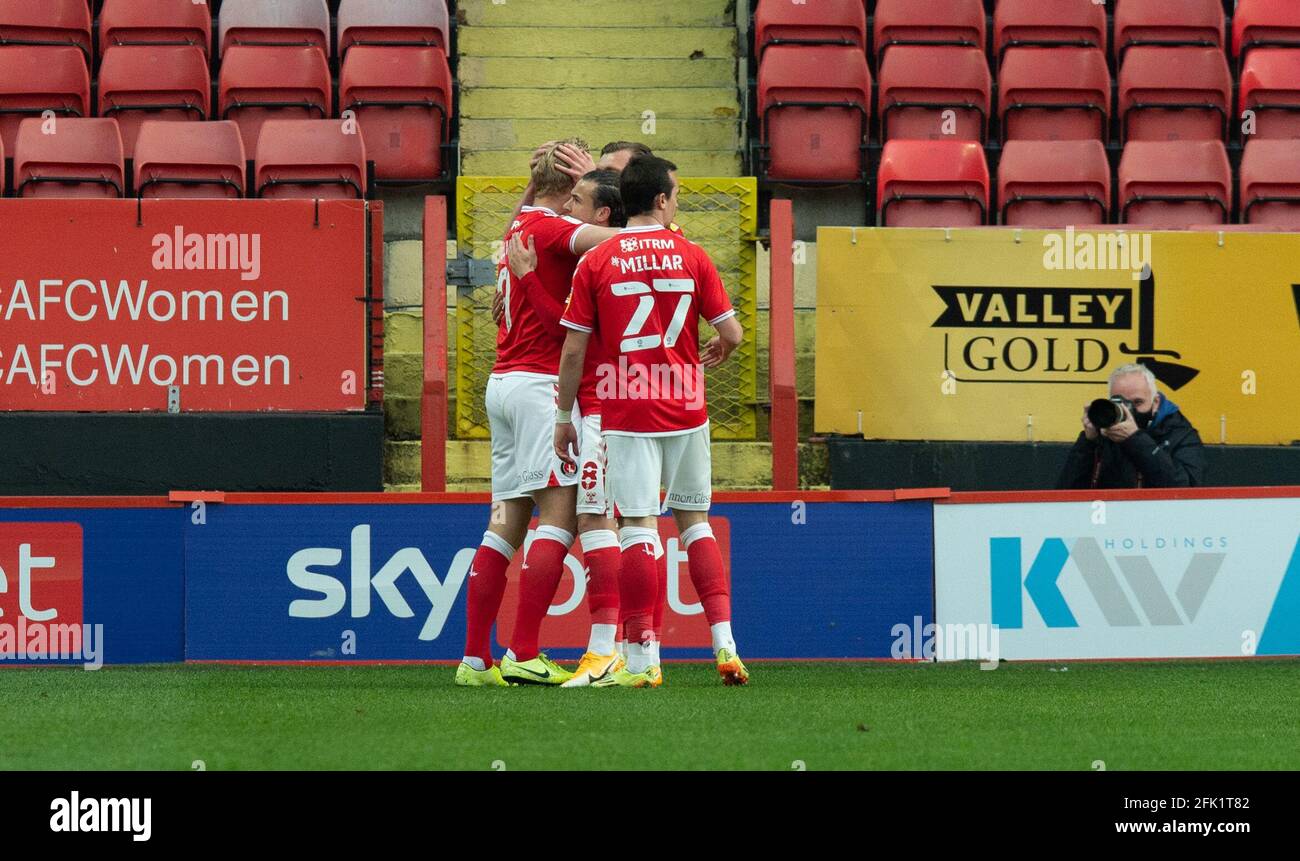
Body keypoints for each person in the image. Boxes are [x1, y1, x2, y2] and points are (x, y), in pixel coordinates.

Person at [554, 155, 750, 687]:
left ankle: (643, 659)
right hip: (687, 407)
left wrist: (562, 415)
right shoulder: (693, 254)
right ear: (661, 199)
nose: (677, 199)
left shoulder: (597, 259)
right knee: (695, 521)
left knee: (638, 525)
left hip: (625, 409)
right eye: (677, 193)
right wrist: (716, 348)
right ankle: (726, 645)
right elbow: (732, 333)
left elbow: (574, 351)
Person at [455, 141, 620, 687]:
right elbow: (623, 239)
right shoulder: (552, 230)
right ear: (570, 185)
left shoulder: (517, 228)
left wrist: (538, 184)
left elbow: (538, 212)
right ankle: (524, 650)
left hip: (502, 384)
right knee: (561, 516)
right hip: (539, 387)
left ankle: (475, 660)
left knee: (504, 526)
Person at [502, 169, 632, 687]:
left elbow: (568, 333)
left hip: (600, 406)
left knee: (595, 521)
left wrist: (528, 280)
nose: (566, 209)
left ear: (603, 214)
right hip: (635, 402)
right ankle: (631, 651)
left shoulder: (597, 263)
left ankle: (607, 653)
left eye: (576, 201)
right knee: (628, 523)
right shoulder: (638, 258)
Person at [1057, 363, 1206, 489]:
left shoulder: (1179, 433)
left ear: (1156, 402)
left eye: (1137, 402)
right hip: (1109, 518)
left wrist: (1135, 440)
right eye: (1120, 402)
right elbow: (1065, 494)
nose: (1129, 410)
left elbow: (1185, 489)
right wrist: (1088, 442)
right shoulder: (1104, 432)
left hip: (1159, 518)